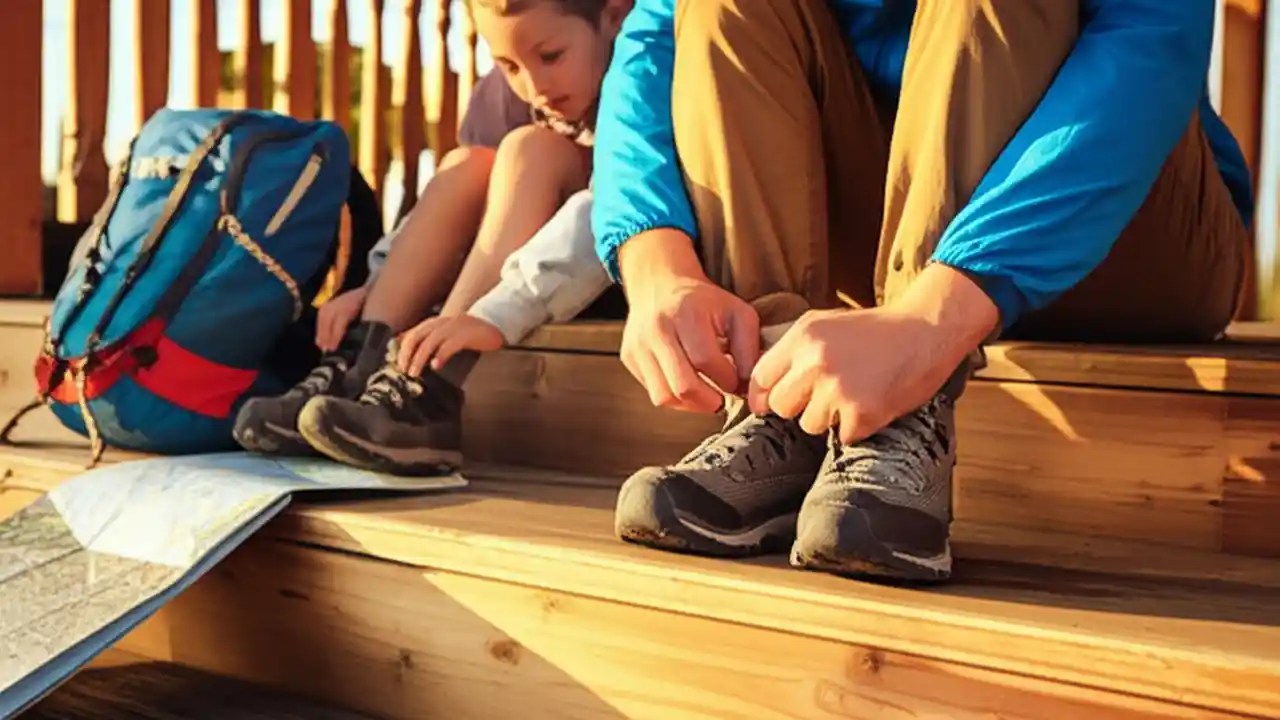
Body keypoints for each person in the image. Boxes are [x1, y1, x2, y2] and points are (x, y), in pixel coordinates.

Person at [592, 0, 1251, 582]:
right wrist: (655, 261)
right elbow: (658, 35)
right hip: (900, 222)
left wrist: (935, 315)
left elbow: (1151, 39)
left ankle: (903, 407)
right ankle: (785, 402)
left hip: (1135, 234)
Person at [235, 0, 629, 475]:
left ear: (615, 15)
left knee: (531, 148)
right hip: (510, 279)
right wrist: (376, 286)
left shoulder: (641, 75)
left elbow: (608, 208)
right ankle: (360, 368)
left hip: (597, 268)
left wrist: (484, 315)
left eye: (550, 57)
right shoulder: (507, 95)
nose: (533, 86)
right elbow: (457, 207)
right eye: (508, 65)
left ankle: (430, 386)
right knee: (467, 164)